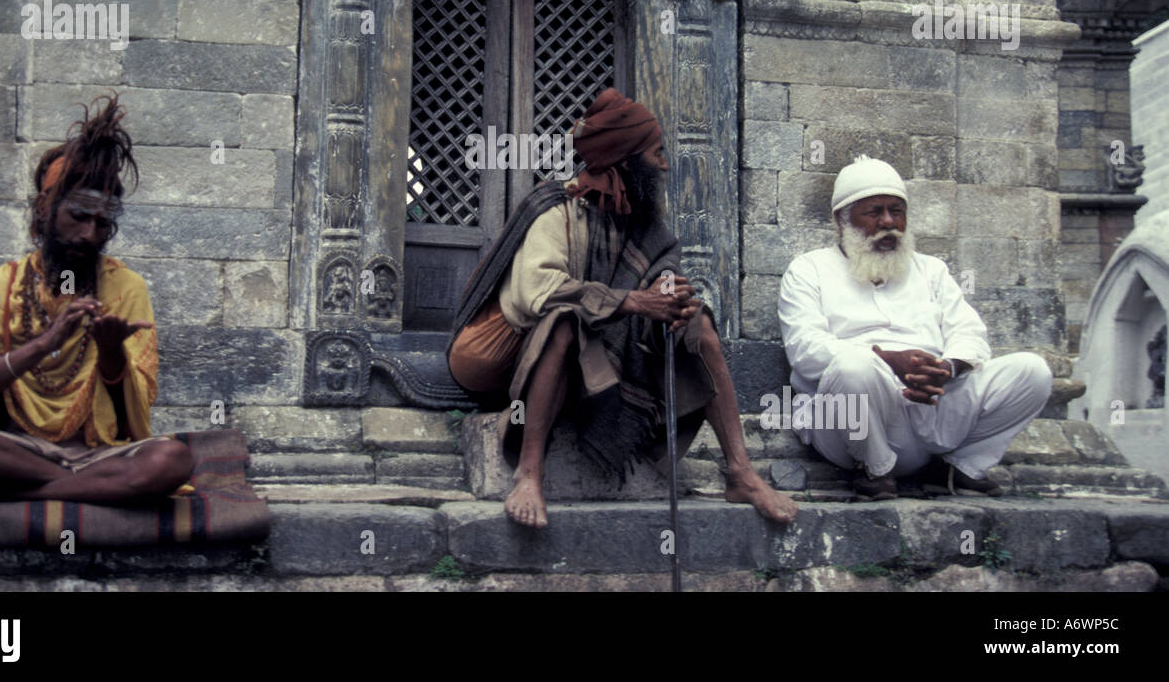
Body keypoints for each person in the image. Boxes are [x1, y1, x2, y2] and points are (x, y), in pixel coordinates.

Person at [448, 89, 797, 528]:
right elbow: (534, 294)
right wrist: (631, 300)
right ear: (626, 160)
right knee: (563, 323)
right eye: (657, 154)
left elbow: (659, 273)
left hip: (615, 361)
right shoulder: (556, 210)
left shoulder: (648, 227)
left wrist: (670, 297)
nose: (665, 165)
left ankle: (742, 474)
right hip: (535, 365)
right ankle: (530, 473)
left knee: (701, 325)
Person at [0, 94, 193, 504]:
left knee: (171, 460)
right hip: (15, 449)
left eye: (103, 223)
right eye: (78, 216)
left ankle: (15, 495)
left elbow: (134, 413)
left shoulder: (126, 287)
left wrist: (112, 356)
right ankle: (71, 490)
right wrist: (47, 342)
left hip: (96, 454)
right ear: (44, 207)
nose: (90, 235)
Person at [777, 155, 1052, 500]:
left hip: (930, 411)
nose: (888, 222)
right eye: (874, 212)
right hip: (850, 424)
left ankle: (956, 469)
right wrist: (891, 360)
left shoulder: (931, 270)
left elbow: (971, 334)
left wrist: (945, 369)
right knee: (853, 366)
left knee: (1032, 371)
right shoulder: (808, 270)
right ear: (841, 219)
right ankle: (876, 472)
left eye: (897, 210)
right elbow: (806, 352)